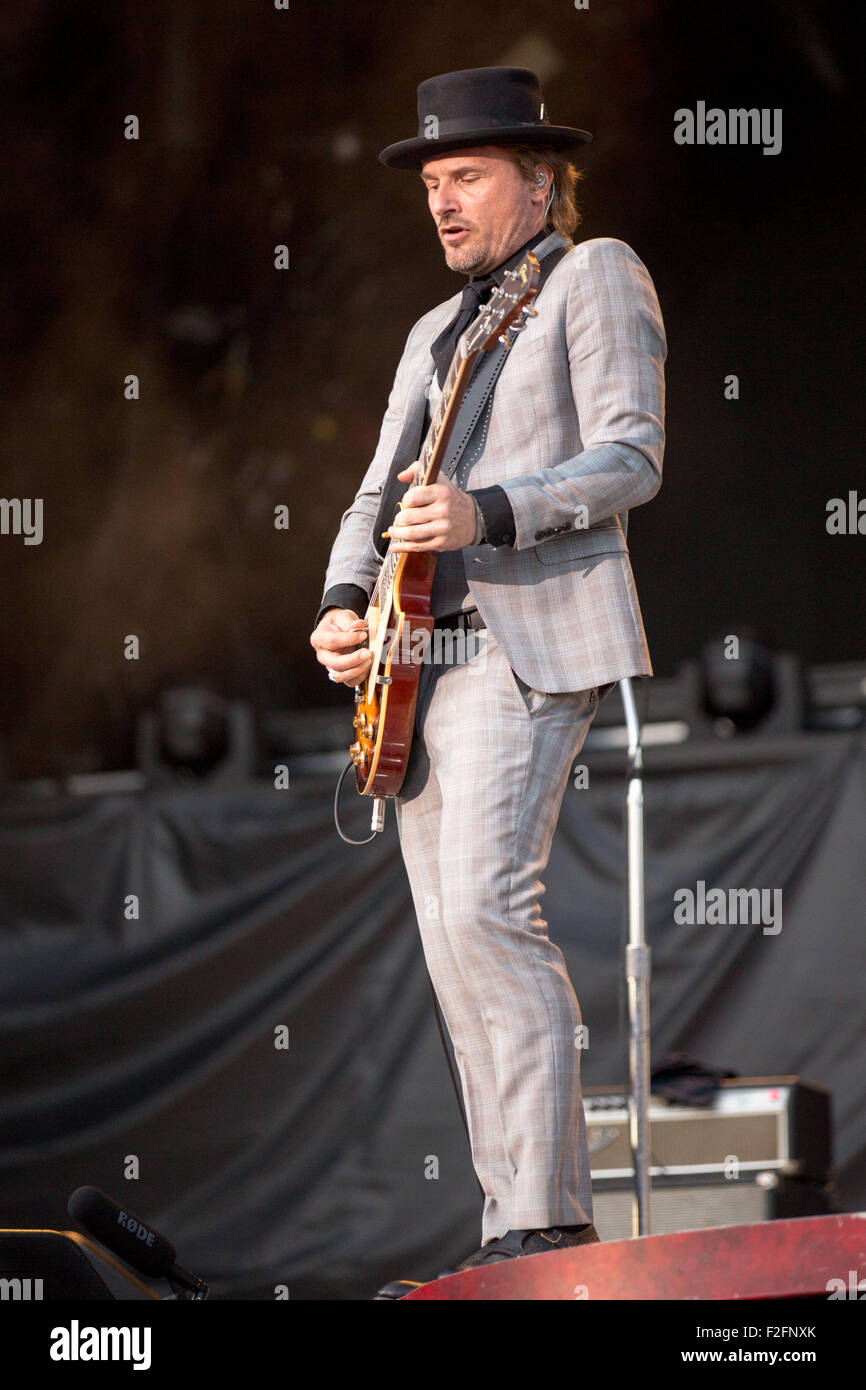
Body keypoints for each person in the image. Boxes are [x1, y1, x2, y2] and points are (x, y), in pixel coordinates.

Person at [310, 66, 666, 1272]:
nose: (442, 202)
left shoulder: (593, 272)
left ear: (536, 179)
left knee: (485, 913)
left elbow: (630, 456)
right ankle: (504, 1225)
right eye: (429, 182)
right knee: (451, 943)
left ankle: (547, 1221)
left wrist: (490, 512)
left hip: (520, 644)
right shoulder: (430, 330)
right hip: (412, 666)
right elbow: (375, 492)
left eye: (464, 176)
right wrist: (342, 602)